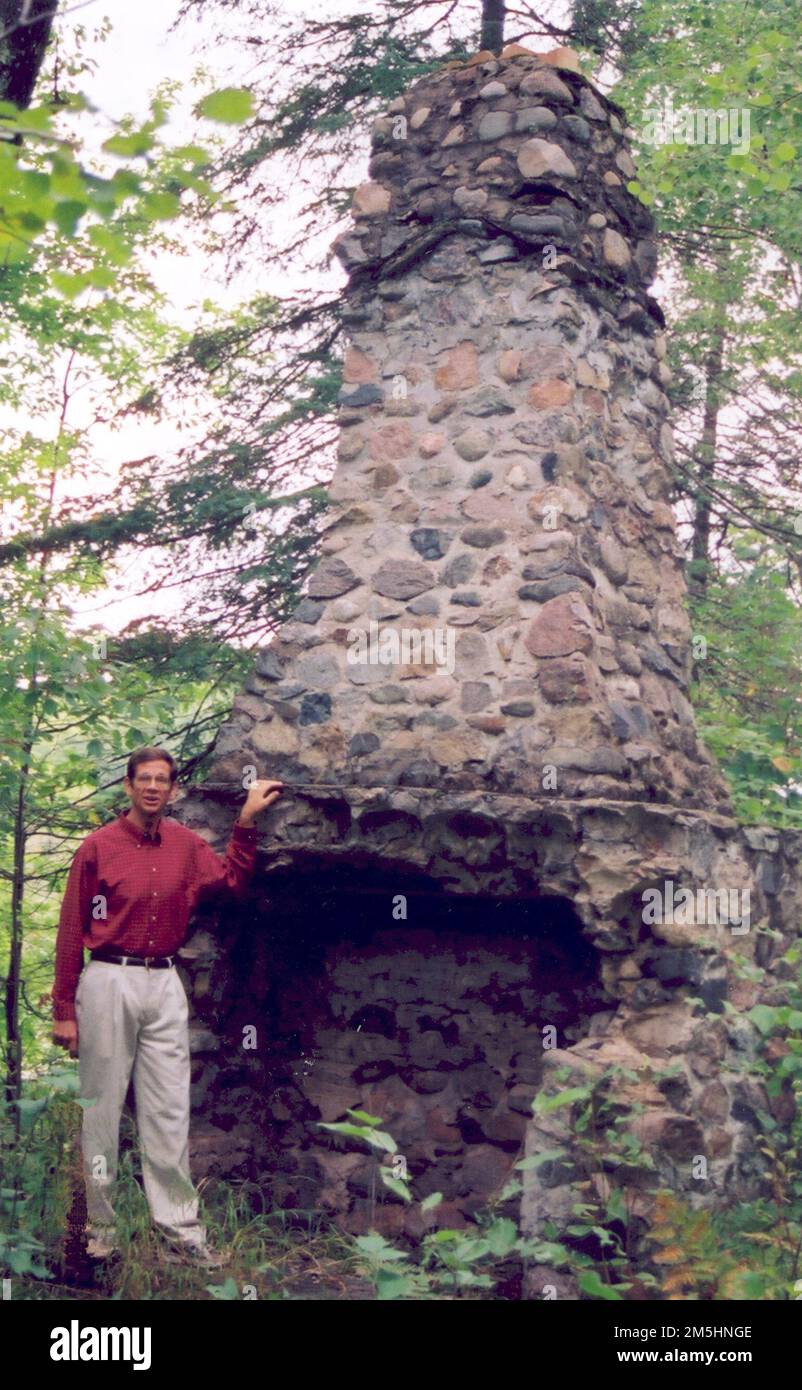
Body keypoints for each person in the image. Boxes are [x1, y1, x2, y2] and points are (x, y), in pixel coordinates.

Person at [51, 746, 283, 1269]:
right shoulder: (98, 848)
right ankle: (99, 1232)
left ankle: (180, 1229)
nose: (153, 787)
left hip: (164, 980)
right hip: (109, 978)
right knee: (102, 1109)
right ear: (129, 786)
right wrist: (64, 1010)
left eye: (163, 780)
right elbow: (70, 931)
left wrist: (245, 820)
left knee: (169, 1108)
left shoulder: (185, 845)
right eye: (144, 779)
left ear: (173, 790)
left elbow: (230, 883)